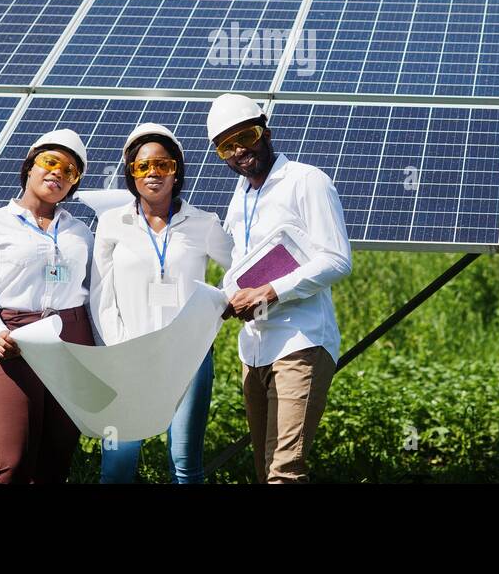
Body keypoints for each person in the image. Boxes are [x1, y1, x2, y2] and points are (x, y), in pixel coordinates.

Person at [208, 93, 353, 484]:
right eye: (227, 146)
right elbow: (241, 265)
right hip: (253, 349)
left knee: (284, 472)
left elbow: (338, 259)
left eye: (247, 136)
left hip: (300, 341)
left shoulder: (307, 180)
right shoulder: (240, 196)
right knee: (264, 470)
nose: (240, 150)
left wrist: (271, 290)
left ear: (266, 132)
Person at [90, 122, 233, 483]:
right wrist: (118, 349)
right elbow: (101, 295)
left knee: (185, 465)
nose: (153, 173)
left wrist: (216, 307)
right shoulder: (111, 223)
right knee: (118, 468)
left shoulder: (203, 223)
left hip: (189, 358)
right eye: (142, 166)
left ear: (177, 172)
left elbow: (241, 267)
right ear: (130, 173)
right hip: (128, 354)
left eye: (163, 165)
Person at [0, 128, 96, 484]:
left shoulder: (80, 231)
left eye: (70, 171)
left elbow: (94, 294)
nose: (58, 173)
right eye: (50, 162)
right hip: (14, 344)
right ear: (29, 167)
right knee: (13, 461)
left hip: (72, 349)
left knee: (56, 462)